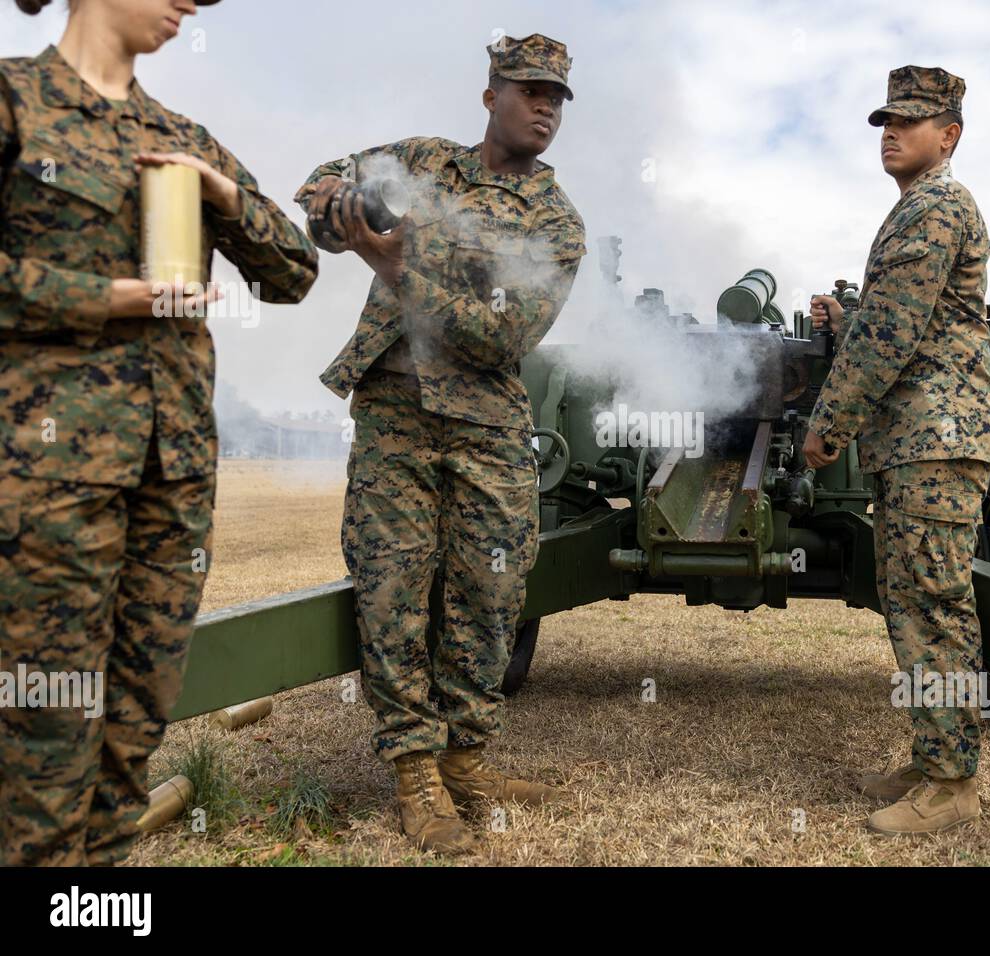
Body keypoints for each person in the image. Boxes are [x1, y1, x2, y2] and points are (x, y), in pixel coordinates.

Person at [0, 0, 319, 865]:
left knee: (130, 732)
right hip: (47, 482)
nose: (189, 4)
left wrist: (224, 197)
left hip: (171, 477)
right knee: (42, 736)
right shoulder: (16, 101)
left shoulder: (182, 137)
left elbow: (294, 271)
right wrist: (106, 300)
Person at [295, 33, 586, 855]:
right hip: (394, 404)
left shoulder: (557, 223)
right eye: (530, 90)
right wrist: (341, 217)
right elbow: (320, 183)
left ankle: (466, 758)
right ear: (490, 94)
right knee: (391, 589)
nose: (544, 107)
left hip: (488, 422)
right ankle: (416, 774)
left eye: (557, 97)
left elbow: (502, 337)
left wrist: (393, 262)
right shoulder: (421, 159)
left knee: (488, 599)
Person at [802, 65, 990, 835]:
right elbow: (890, 321)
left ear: (948, 136)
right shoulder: (920, 208)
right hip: (922, 440)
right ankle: (931, 757)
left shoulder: (936, 207)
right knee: (914, 605)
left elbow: (892, 336)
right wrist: (839, 321)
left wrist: (829, 424)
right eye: (886, 120)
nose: (891, 132)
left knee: (933, 607)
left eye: (910, 121)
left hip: (938, 438)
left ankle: (953, 785)